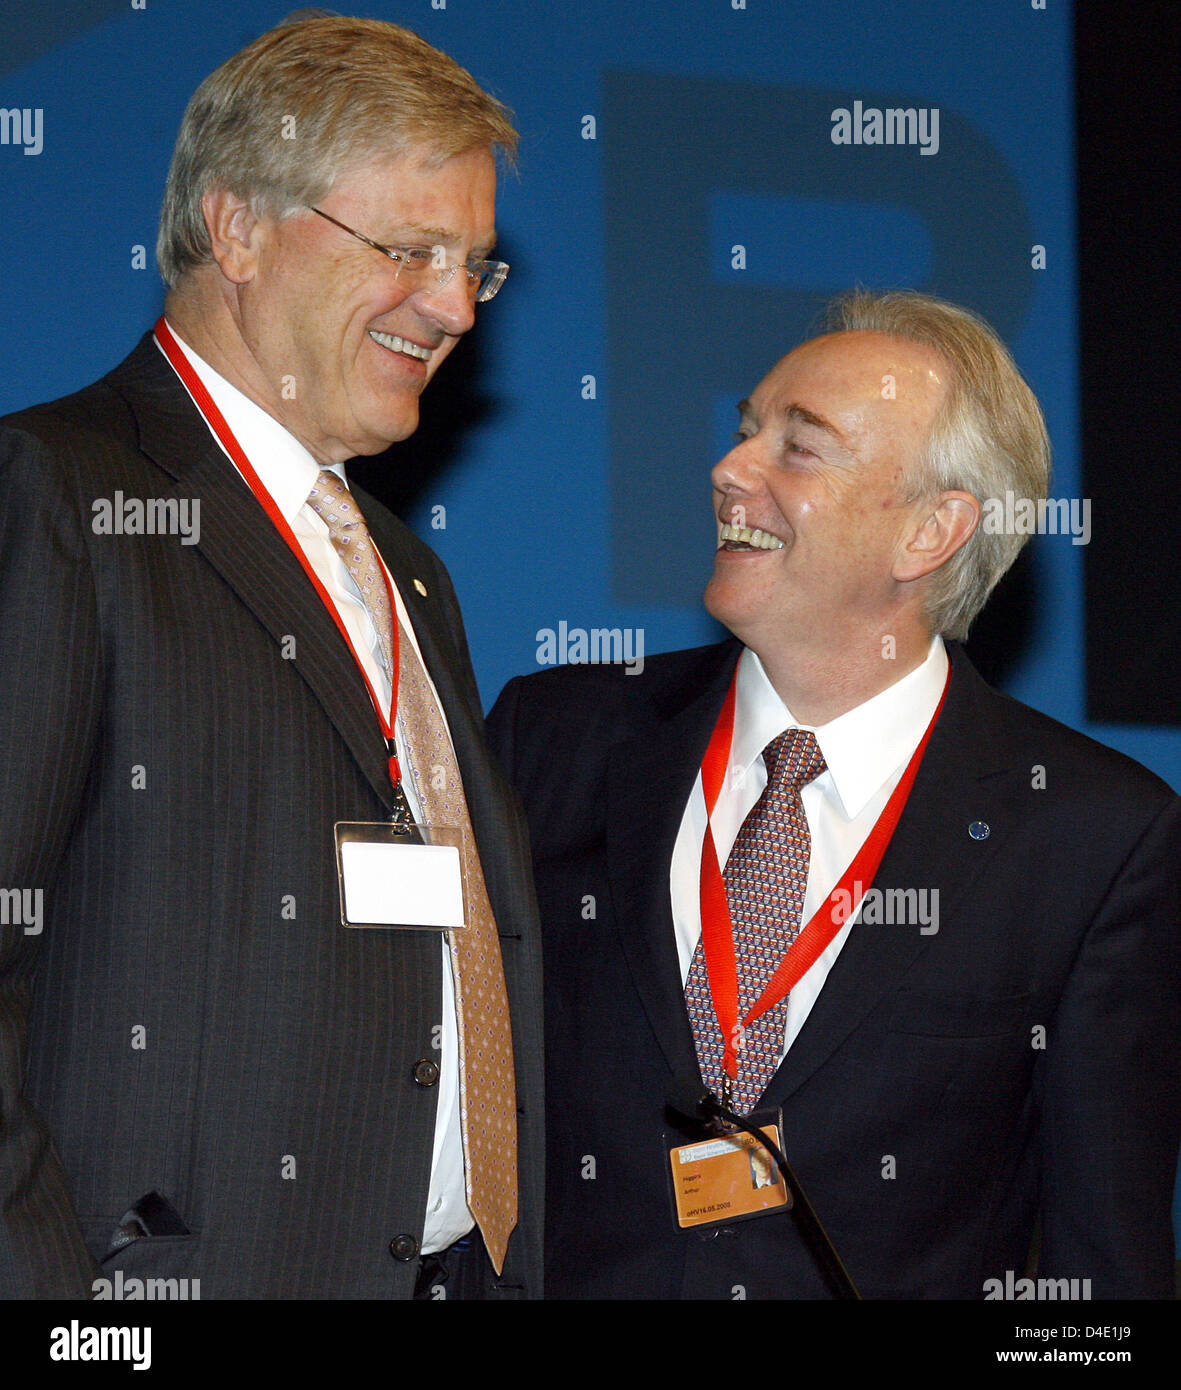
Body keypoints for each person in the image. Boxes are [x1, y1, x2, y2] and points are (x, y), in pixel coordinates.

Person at [487, 290, 1180, 1299]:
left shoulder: (1088, 836)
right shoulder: (554, 740)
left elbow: (1100, 1261)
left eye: (797, 447)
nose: (729, 470)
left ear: (929, 532)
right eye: (745, 432)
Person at [0, 16, 542, 1300]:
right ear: (235, 227)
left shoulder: (406, 569)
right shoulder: (59, 497)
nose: (454, 306)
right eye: (409, 248)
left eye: (475, 265)